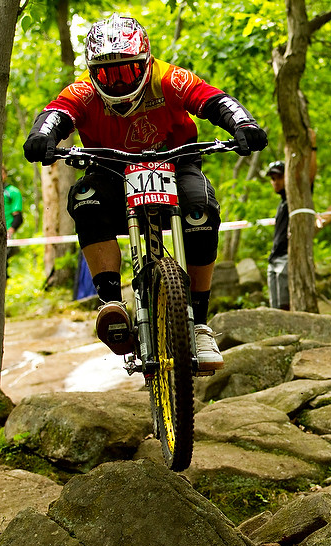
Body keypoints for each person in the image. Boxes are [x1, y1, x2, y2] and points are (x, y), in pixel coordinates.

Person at [23, 14, 267, 369]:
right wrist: (42, 136)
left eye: (127, 71)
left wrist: (243, 124)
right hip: (111, 167)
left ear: (146, 62)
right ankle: (111, 303)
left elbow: (214, 100)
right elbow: (56, 113)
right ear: (92, 73)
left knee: (200, 210)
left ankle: (199, 324)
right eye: (108, 75)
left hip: (176, 161)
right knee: (85, 198)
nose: (119, 82)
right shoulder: (83, 91)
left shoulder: (168, 78)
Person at [265, 132, 317, 311]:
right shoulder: (281, 204)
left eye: (279, 177)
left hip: (287, 257)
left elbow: (309, 177)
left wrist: (313, 147)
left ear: (287, 177)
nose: (275, 182)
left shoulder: (296, 197)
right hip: (274, 258)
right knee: (275, 308)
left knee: (284, 306)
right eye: (273, 179)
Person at [3, 166, 24, 242]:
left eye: (2, 173)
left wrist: (10, 232)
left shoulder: (13, 191)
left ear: (6, 175)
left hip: (5, 232)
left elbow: (18, 216)